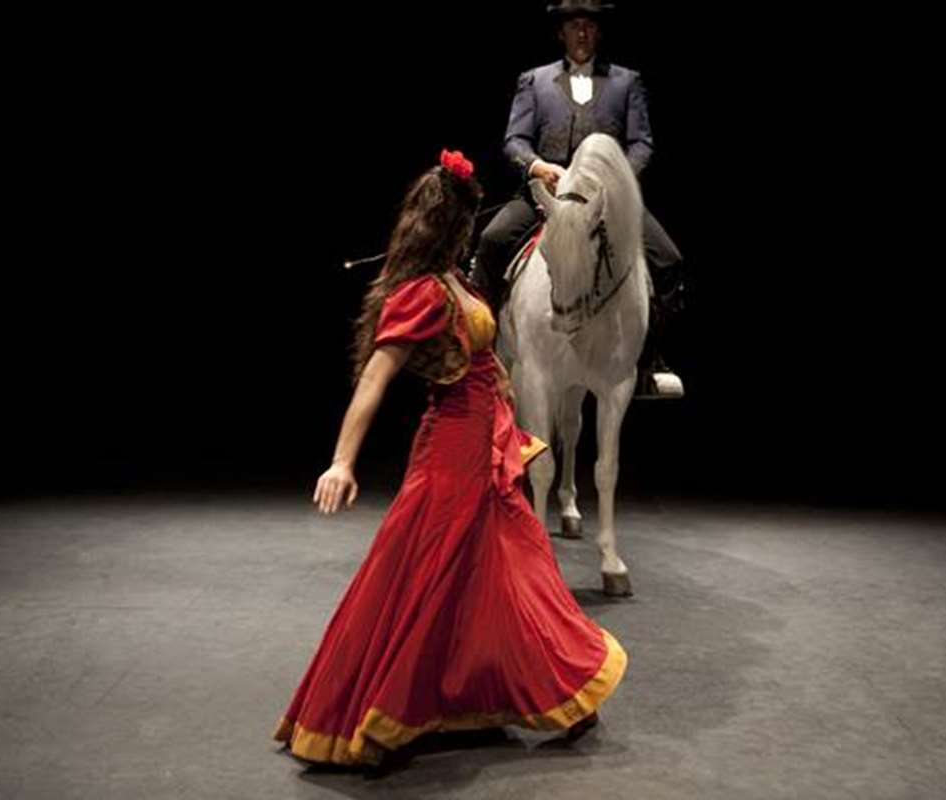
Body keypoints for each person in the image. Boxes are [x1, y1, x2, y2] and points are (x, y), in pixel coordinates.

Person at [272, 150, 627, 769]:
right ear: (452, 225)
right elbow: (375, 380)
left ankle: (550, 689)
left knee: (511, 572)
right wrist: (341, 461)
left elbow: (486, 360)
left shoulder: (451, 285)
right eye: (465, 222)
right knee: (431, 579)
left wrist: (508, 398)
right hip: (452, 454)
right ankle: (384, 708)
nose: (470, 232)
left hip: (486, 444)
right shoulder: (421, 296)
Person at [471, 0, 685, 395]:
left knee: (668, 260)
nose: (582, 33)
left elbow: (642, 145)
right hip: (547, 191)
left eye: (589, 25)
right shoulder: (533, 81)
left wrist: (614, 180)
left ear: (598, 33)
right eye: (574, 26)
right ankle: (480, 353)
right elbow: (514, 140)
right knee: (491, 240)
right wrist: (536, 166)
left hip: (607, 197)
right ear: (561, 33)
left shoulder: (627, 81)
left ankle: (648, 362)